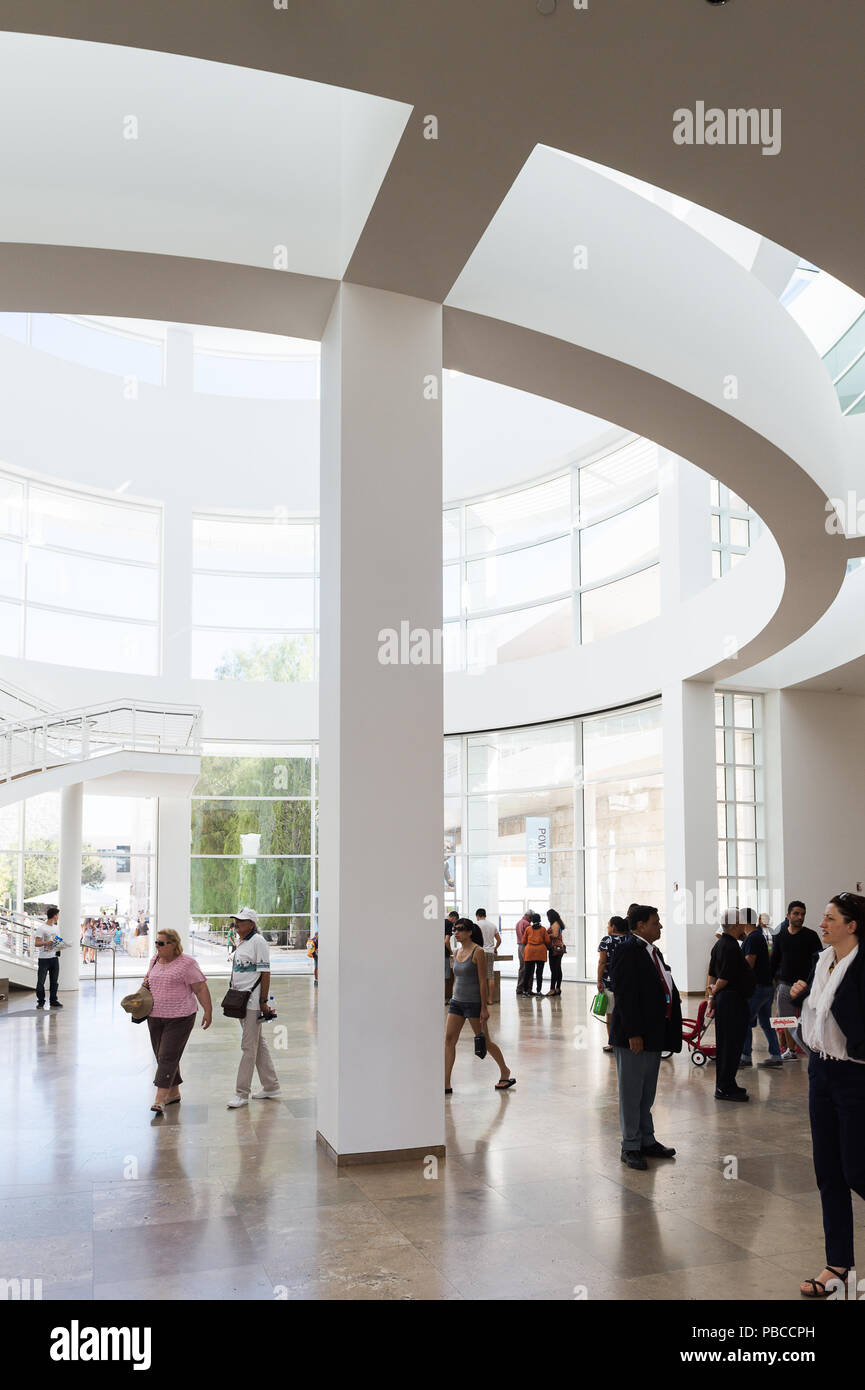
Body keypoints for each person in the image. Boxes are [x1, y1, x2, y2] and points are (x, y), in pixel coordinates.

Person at [791, 893, 865, 1299]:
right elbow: (819, 1012)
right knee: (828, 1172)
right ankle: (837, 1264)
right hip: (819, 1070)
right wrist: (802, 996)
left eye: (830, 919)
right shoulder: (824, 960)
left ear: (851, 925)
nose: (822, 924)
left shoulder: (861, 964)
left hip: (854, 1075)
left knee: (856, 1169)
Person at [608, 905, 681, 1170]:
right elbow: (625, 996)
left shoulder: (651, 951)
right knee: (631, 1092)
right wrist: (634, 1033)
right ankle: (630, 1145)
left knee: (646, 1091)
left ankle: (646, 1140)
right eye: (655, 922)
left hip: (653, 1032)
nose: (659, 926)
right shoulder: (628, 951)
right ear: (639, 926)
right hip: (634, 1035)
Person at [142, 927, 212, 1114]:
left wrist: (208, 1010)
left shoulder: (187, 963)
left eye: (162, 943)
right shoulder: (154, 960)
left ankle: (160, 1098)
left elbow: (200, 988)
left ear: (174, 944)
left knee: (167, 1055)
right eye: (156, 942)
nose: (157, 946)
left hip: (180, 1016)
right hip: (154, 1015)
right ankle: (173, 1092)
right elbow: (149, 980)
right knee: (161, 1055)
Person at [444, 919, 514, 1094]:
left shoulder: (478, 952)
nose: (456, 932)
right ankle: (445, 1083)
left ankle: (505, 1071)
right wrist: (452, 997)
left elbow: (483, 982)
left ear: (469, 932)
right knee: (449, 1040)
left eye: (460, 929)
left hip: (473, 1004)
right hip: (456, 1003)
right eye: (454, 929)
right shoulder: (456, 951)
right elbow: (456, 980)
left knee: (486, 1041)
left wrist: (484, 1007)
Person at [226, 907, 281, 1108]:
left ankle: (241, 1093)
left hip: (253, 1002)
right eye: (236, 921)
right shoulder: (243, 942)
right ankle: (271, 1085)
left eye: (241, 921)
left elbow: (265, 973)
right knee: (258, 1043)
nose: (237, 924)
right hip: (241, 1000)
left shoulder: (258, 942)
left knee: (248, 1046)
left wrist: (263, 1001)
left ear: (252, 924)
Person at [706, 908, 756, 1101]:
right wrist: (715, 991)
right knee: (731, 1045)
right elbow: (724, 976)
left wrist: (711, 997)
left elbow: (712, 973)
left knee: (728, 1044)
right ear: (736, 925)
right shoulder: (731, 946)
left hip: (727, 1001)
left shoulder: (719, 945)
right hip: (732, 1001)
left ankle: (728, 1083)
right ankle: (724, 1088)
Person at [771, 901, 822, 1059]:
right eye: (796, 914)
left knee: (809, 1020)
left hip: (807, 987)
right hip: (785, 985)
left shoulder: (811, 936)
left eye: (803, 914)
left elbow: (819, 961)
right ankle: (790, 1050)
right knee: (786, 1020)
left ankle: (814, 1051)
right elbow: (775, 960)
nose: (800, 917)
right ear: (788, 916)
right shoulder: (780, 935)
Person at [741, 910, 783, 1069]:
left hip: (757, 988)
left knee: (745, 1020)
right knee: (766, 1022)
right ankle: (776, 1055)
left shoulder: (753, 938)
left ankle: (745, 1056)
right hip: (766, 986)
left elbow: (748, 965)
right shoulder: (757, 936)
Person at [597, 915, 629, 1051]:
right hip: (626, 982)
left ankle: (612, 1043)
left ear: (614, 927)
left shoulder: (606, 940)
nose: (607, 928)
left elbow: (602, 962)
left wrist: (599, 980)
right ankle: (627, 1040)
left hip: (610, 982)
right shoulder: (628, 939)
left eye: (608, 925)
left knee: (610, 1015)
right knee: (625, 1013)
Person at [34, 906, 63, 1010]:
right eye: (58, 915)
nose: (58, 917)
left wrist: (61, 943)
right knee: (41, 982)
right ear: (55, 915)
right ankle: (41, 1002)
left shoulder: (56, 927)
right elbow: (36, 943)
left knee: (54, 981)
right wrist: (46, 942)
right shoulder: (42, 928)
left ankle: (53, 1000)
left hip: (54, 958)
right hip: (43, 959)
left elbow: (58, 939)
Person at [475, 908, 501, 1000]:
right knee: (490, 976)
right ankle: (490, 999)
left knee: (479, 975)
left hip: (479, 952)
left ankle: (481, 998)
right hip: (490, 952)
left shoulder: (476, 925)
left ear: (477, 916)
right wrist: (495, 948)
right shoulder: (492, 925)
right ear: (485, 915)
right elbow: (499, 940)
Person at [522, 912, 550, 997]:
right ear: (540, 920)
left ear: (532, 920)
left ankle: (525, 991)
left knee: (527, 972)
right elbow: (547, 941)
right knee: (539, 972)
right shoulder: (543, 929)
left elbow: (523, 941)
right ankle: (538, 992)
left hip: (529, 951)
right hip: (540, 952)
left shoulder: (528, 929)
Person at [545, 909, 566, 995]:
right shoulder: (558, 923)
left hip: (554, 949)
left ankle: (552, 989)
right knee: (558, 968)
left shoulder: (555, 924)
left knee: (553, 969)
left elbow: (555, 935)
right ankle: (558, 988)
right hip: (559, 948)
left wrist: (546, 935)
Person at [514, 908, 532, 996]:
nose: (531, 920)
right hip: (526, 946)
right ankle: (528, 988)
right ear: (528, 916)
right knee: (529, 967)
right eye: (531, 918)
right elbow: (530, 936)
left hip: (520, 947)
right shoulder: (527, 924)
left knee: (522, 968)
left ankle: (519, 988)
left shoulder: (518, 923)